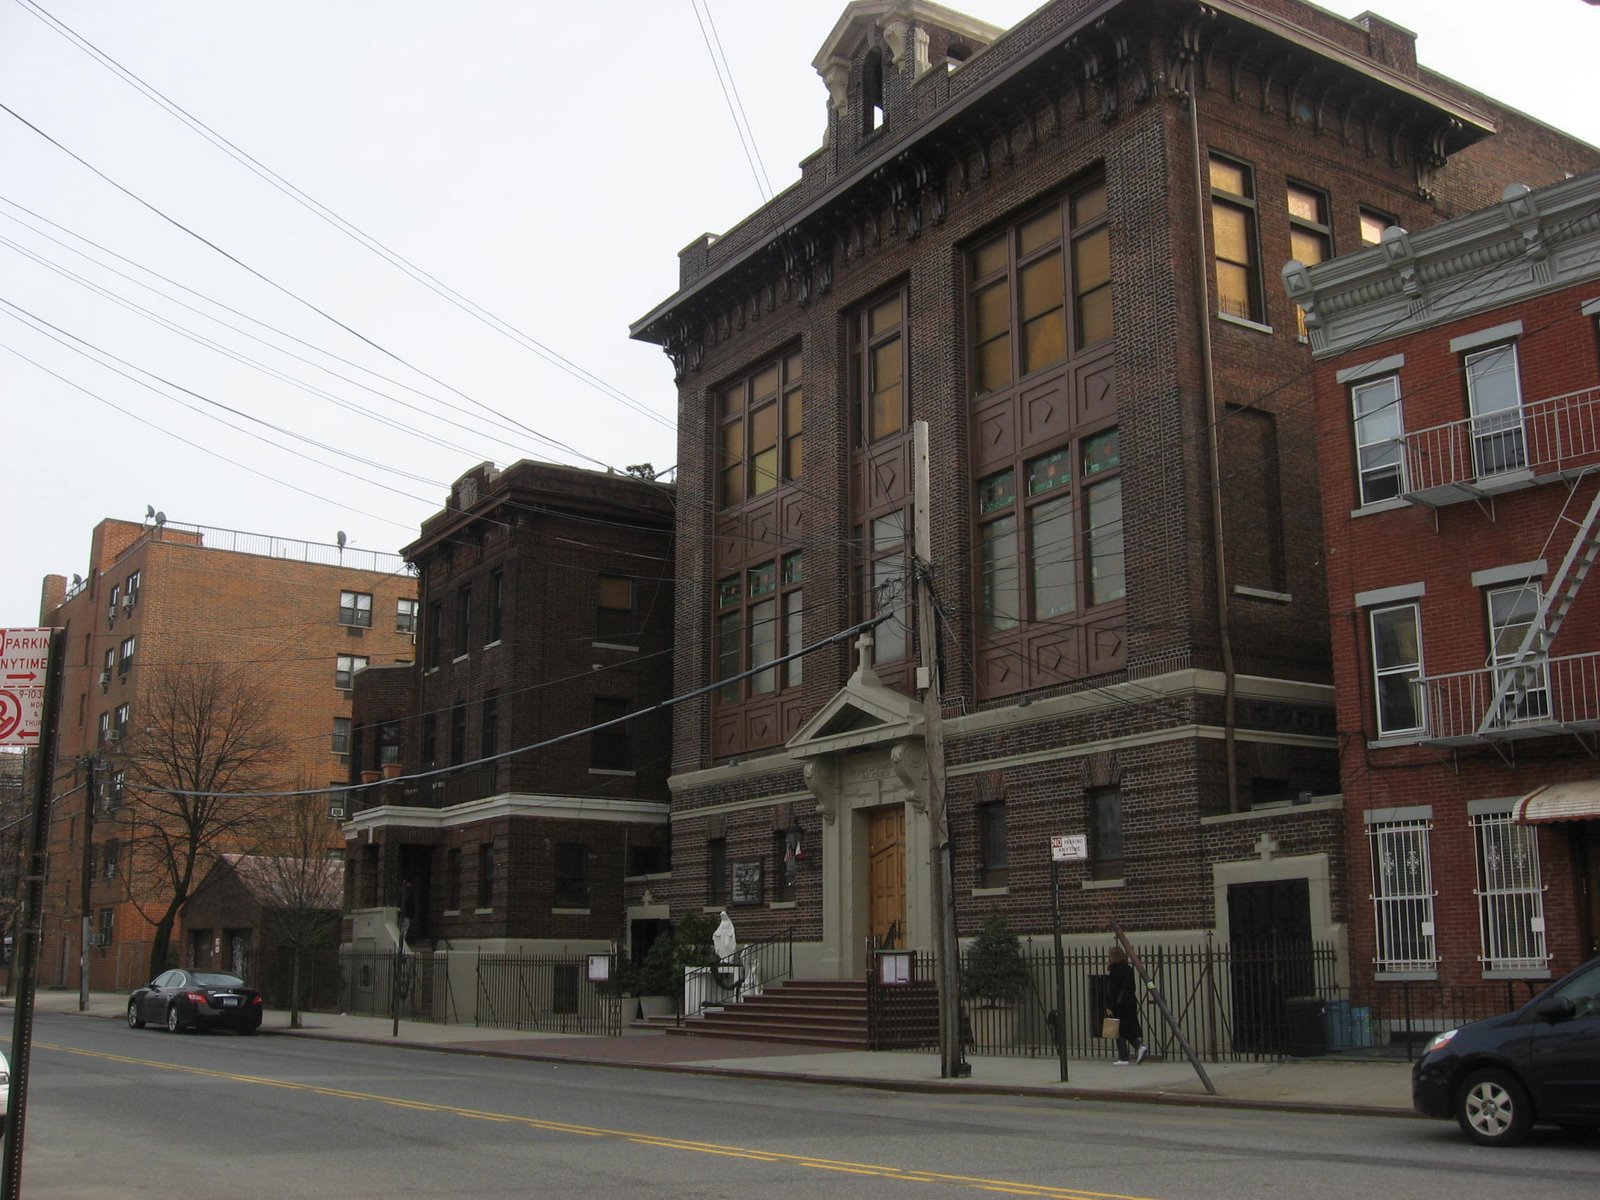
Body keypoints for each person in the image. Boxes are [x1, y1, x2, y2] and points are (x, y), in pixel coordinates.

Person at [1105, 945, 1147, 1064]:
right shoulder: (1128, 969)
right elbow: (1132, 987)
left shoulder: (1115, 970)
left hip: (1119, 1003)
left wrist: (1109, 1006)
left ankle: (1123, 1057)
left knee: (1118, 1030)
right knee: (1127, 1027)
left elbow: (1112, 990)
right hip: (1130, 1001)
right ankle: (1139, 1046)